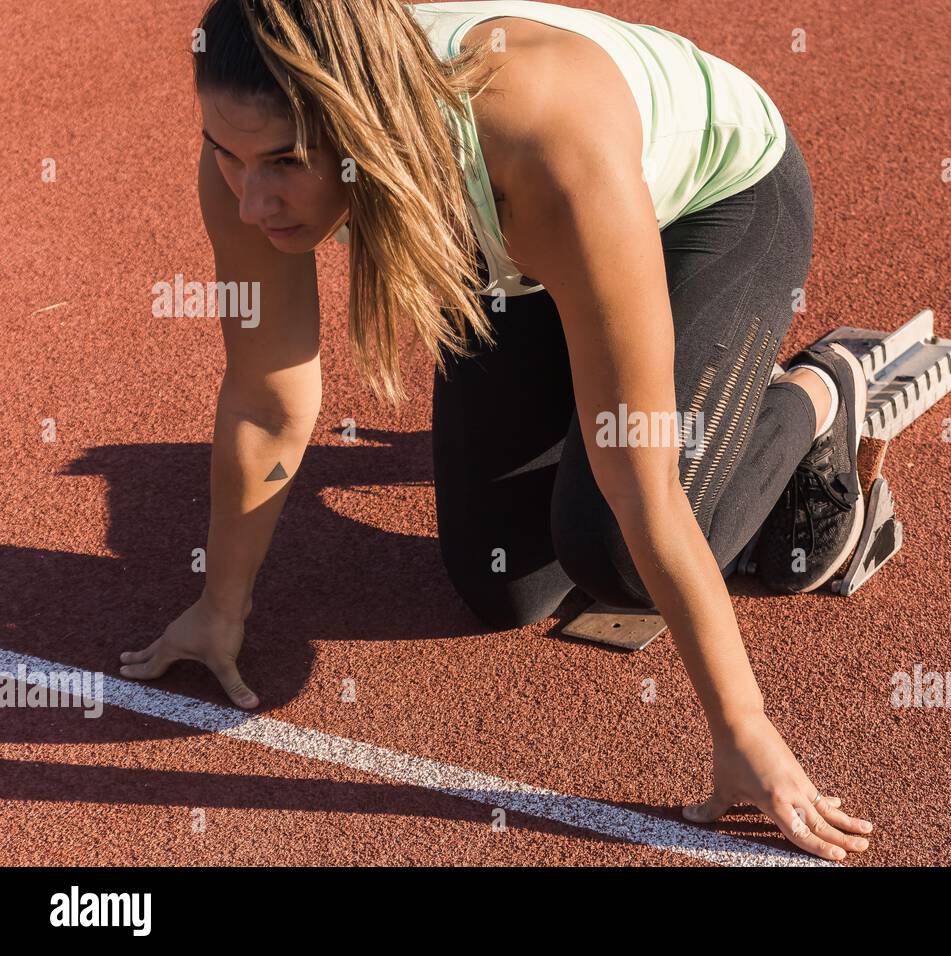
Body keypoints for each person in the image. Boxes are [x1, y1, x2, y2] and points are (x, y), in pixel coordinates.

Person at [119, 0, 875, 861]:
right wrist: (222, 608)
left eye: (287, 162)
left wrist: (743, 727)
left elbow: (643, 483)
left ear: (364, 127)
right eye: (227, 156)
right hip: (507, 241)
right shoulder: (248, 149)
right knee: (502, 587)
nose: (253, 201)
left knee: (619, 553)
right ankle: (613, 366)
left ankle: (820, 391)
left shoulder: (546, 143)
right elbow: (266, 397)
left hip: (710, 205)